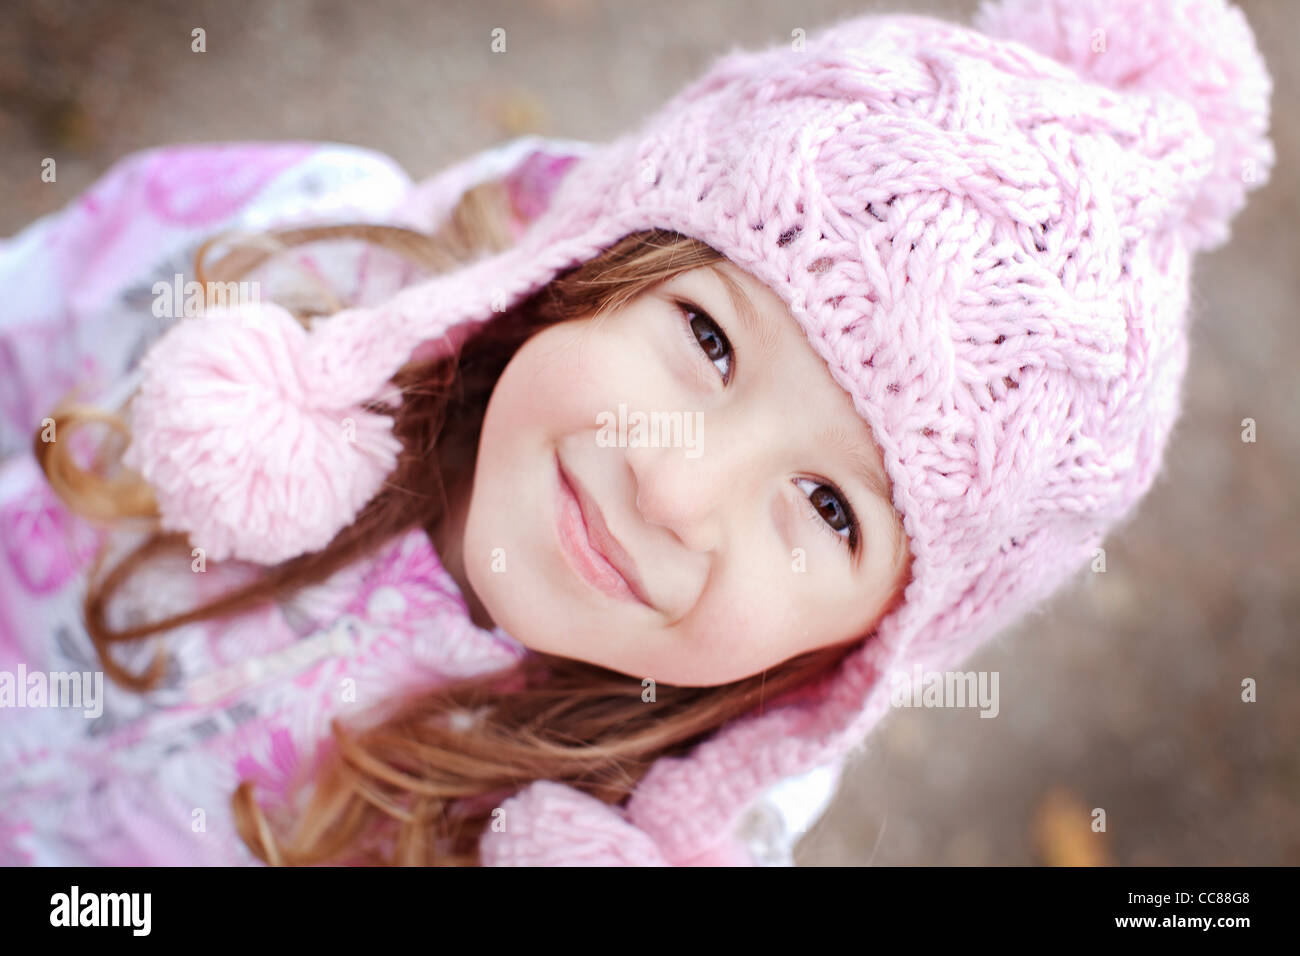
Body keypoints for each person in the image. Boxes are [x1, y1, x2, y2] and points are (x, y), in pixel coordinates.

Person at [0, 0, 1274, 865]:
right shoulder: (281, 261)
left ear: (865, 648)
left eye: (831, 507)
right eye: (708, 340)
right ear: (590, 262)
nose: (676, 487)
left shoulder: (608, 833)